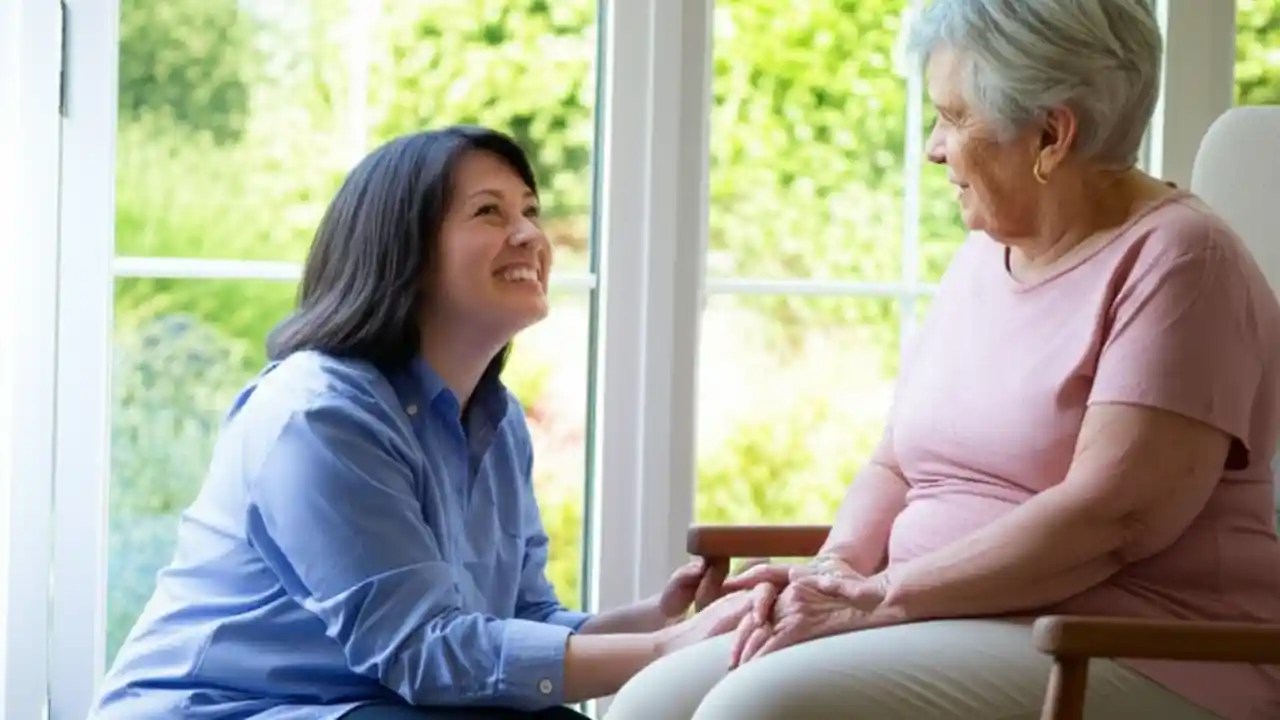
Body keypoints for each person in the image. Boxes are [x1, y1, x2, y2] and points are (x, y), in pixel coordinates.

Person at [607, 1, 1280, 718]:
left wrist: (886, 597)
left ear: (1051, 134)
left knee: (759, 708)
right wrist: (835, 572)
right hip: (952, 619)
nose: (933, 147)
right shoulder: (984, 256)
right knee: (654, 700)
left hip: (1128, 645)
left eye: (954, 117)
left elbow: (1111, 519)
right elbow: (897, 461)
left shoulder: (1181, 261)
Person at [90, 126, 751, 720]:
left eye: (530, 210)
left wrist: (658, 619)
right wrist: (668, 648)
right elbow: (424, 652)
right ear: (401, 248)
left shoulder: (495, 422)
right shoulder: (317, 415)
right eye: (489, 211)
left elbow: (520, 621)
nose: (530, 235)